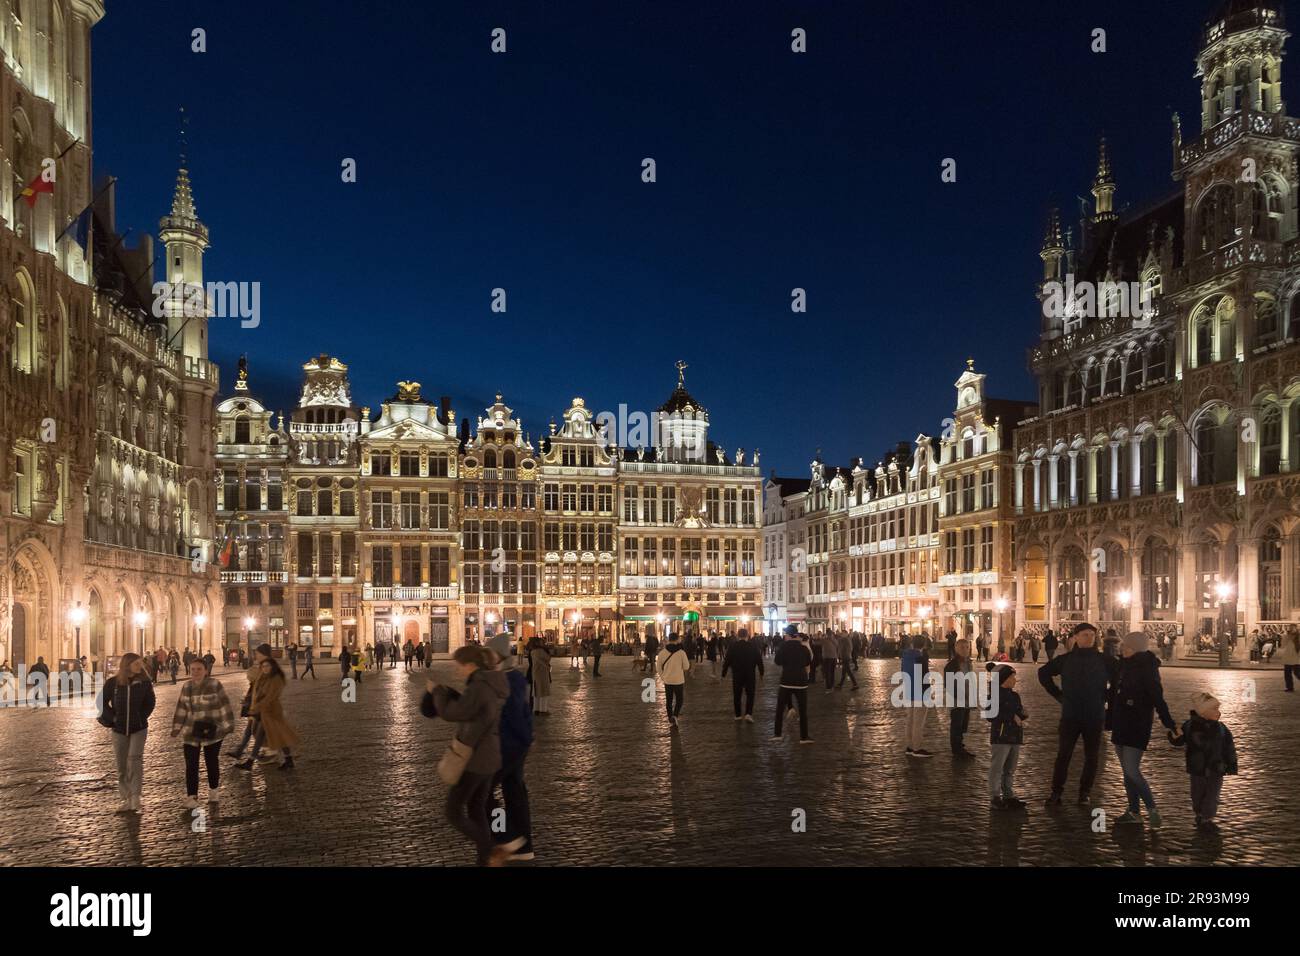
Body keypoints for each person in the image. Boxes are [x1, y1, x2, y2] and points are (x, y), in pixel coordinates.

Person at [422, 645, 511, 866]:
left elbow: (454, 713)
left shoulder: (480, 687)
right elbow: (473, 710)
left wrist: (438, 693)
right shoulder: (491, 683)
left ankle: (491, 850)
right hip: (489, 755)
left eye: (459, 666)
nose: (457, 670)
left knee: (453, 811)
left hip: (475, 758)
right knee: (475, 807)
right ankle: (485, 860)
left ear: (471, 665)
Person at [1038, 622, 1119, 806]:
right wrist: (1058, 695)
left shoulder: (1105, 660)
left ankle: (1085, 792)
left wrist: (1107, 699)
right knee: (1064, 754)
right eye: (1085, 634)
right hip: (1071, 716)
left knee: (1092, 757)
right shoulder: (1066, 660)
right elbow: (1043, 673)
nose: (1089, 638)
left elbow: (1117, 680)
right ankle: (1056, 791)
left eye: (1092, 634)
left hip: (1094, 715)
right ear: (1075, 637)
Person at [1109, 632, 1177, 827]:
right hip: (1120, 721)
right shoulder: (1123, 665)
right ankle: (1133, 811)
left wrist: (1169, 722)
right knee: (1127, 772)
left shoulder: (1147, 668)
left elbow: (1157, 697)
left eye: (1127, 646)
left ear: (1137, 648)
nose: (1123, 648)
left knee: (1132, 769)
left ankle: (1152, 809)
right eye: (1124, 645)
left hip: (1137, 723)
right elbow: (1115, 693)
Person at [485, 635, 534, 862]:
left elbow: (514, 714)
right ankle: (524, 847)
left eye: (490, 654)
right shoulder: (514, 676)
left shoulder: (507, 678)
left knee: (484, 793)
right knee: (515, 793)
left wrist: (522, 740)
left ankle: (506, 837)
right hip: (517, 745)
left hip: (508, 746)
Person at [170, 657, 236, 808]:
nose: (195, 672)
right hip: (191, 731)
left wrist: (228, 725)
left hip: (212, 731)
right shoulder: (186, 686)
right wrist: (176, 727)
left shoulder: (215, 685)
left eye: (199, 669)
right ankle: (192, 796)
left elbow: (224, 705)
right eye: (193, 669)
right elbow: (181, 708)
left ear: (206, 670)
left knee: (211, 762)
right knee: (191, 764)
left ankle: (213, 790)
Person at [1170, 692, 1238, 833]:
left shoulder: (1221, 728)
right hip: (1197, 768)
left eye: (1218, 709)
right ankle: (1199, 812)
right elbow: (1179, 741)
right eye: (1214, 709)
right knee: (1197, 793)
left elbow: (1229, 747)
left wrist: (1231, 765)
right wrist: (1174, 735)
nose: (1218, 712)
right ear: (1203, 712)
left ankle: (1207, 816)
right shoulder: (1189, 726)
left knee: (1213, 794)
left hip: (1216, 768)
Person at [97, 653, 155, 814]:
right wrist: (113, 718)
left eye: (140, 664)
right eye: (136, 663)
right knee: (122, 764)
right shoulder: (113, 683)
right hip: (119, 729)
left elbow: (150, 703)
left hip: (139, 728)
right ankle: (126, 798)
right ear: (127, 664)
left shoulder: (144, 682)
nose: (139, 666)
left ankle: (136, 796)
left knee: (134, 760)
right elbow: (101, 702)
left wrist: (141, 716)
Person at [238, 657, 299, 770]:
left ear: (273, 667)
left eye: (267, 666)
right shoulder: (264, 678)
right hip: (265, 712)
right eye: (263, 666)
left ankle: (250, 762)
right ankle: (288, 760)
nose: (265, 668)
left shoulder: (276, 679)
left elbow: (270, 697)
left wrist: (255, 708)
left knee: (274, 735)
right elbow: (259, 694)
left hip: (272, 712)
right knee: (271, 736)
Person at [987, 664, 1028, 809]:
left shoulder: (1015, 695)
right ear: (1004, 679)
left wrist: (1022, 714)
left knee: (1010, 769)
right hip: (1001, 736)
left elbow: (1019, 712)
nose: (1015, 680)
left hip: (1015, 736)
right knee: (997, 768)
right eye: (1012, 677)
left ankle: (1008, 795)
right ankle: (995, 796)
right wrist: (1012, 716)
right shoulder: (995, 695)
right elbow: (989, 715)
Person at [227, 644, 272, 762]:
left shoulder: (267, 665)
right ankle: (242, 752)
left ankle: (252, 755)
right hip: (255, 701)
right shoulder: (262, 665)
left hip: (261, 703)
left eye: (258, 653)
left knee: (257, 730)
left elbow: (257, 679)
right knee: (251, 729)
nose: (255, 655)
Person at [772, 625, 813, 743]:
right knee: (803, 710)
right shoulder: (803, 648)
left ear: (789, 635)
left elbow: (777, 661)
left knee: (780, 709)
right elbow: (808, 661)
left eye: (785, 634)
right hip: (801, 682)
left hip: (786, 681)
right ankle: (804, 737)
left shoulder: (783, 647)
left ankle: (777, 734)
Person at [901, 633, 933, 757]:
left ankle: (909, 746)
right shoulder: (920, 658)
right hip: (920, 693)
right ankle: (917, 748)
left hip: (909, 691)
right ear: (924, 645)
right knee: (918, 721)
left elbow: (903, 672)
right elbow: (924, 677)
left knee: (910, 719)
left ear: (912, 643)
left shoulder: (905, 656)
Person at [944, 638, 976, 759]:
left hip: (967, 699)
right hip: (957, 700)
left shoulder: (969, 663)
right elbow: (948, 684)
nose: (965, 650)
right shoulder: (952, 665)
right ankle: (957, 749)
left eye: (967, 647)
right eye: (962, 647)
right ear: (956, 649)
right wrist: (958, 695)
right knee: (957, 724)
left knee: (963, 725)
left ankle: (960, 745)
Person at [722, 627, 764, 721]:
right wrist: (761, 672)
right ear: (747, 635)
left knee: (737, 694)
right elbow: (759, 660)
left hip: (737, 674)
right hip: (750, 674)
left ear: (738, 635)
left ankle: (738, 715)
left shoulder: (733, 646)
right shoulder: (752, 646)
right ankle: (748, 713)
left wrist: (723, 673)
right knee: (750, 694)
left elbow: (727, 660)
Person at [657, 632, 690, 729]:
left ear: (668, 640)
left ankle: (670, 718)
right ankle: (675, 715)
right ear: (677, 640)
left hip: (668, 680)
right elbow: (686, 667)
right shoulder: (681, 653)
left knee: (669, 700)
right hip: (678, 680)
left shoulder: (662, 652)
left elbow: (658, 667)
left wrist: (663, 676)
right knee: (680, 699)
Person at [530, 638, 552, 716]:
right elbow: (548, 658)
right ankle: (543, 710)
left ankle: (536, 709)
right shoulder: (541, 651)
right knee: (543, 692)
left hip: (535, 673)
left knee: (536, 692)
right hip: (543, 673)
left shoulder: (532, 651)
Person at [1280, 626, 1300, 692]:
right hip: (1290, 658)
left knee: (1296, 673)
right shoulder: (1287, 637)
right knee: (1289, 673)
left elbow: (1283, 646)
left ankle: (1290, 687)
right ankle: (1289, 687)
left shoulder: (1296, 637)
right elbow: (1283, 646)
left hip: (1295, 658)